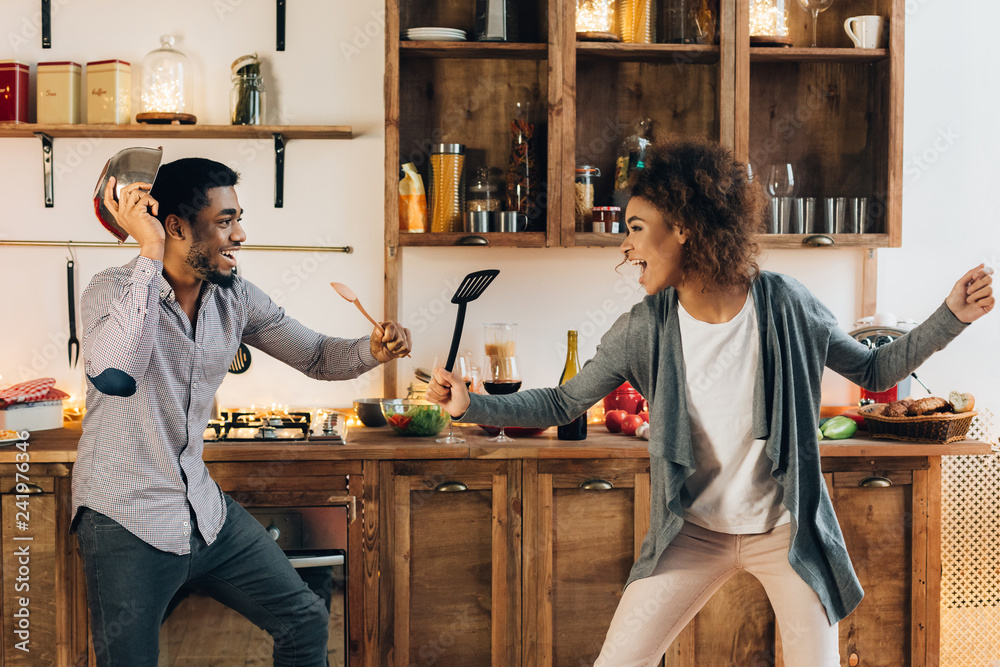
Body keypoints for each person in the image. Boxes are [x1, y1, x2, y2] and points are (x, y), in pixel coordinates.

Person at [426, 137, 994, 666]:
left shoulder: (786, 305)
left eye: (636, 227)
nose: (624, 245)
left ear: (685, 228)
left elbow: (874, 368)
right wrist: (470, 406)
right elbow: (561, 403)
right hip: (691, 531)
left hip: (785, 531)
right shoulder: (644, 328)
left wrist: (951, 317)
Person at [72, 157, 412, 666]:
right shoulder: (112, 291)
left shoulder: (235, 299)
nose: (241, 234)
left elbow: (316, 355)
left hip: (202, 512)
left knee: (303, 617)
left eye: (238, 218)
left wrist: (373, 350)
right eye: (225, 221)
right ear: (176, 227)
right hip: (126, 520)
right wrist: (148, 251)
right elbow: (115, 377)